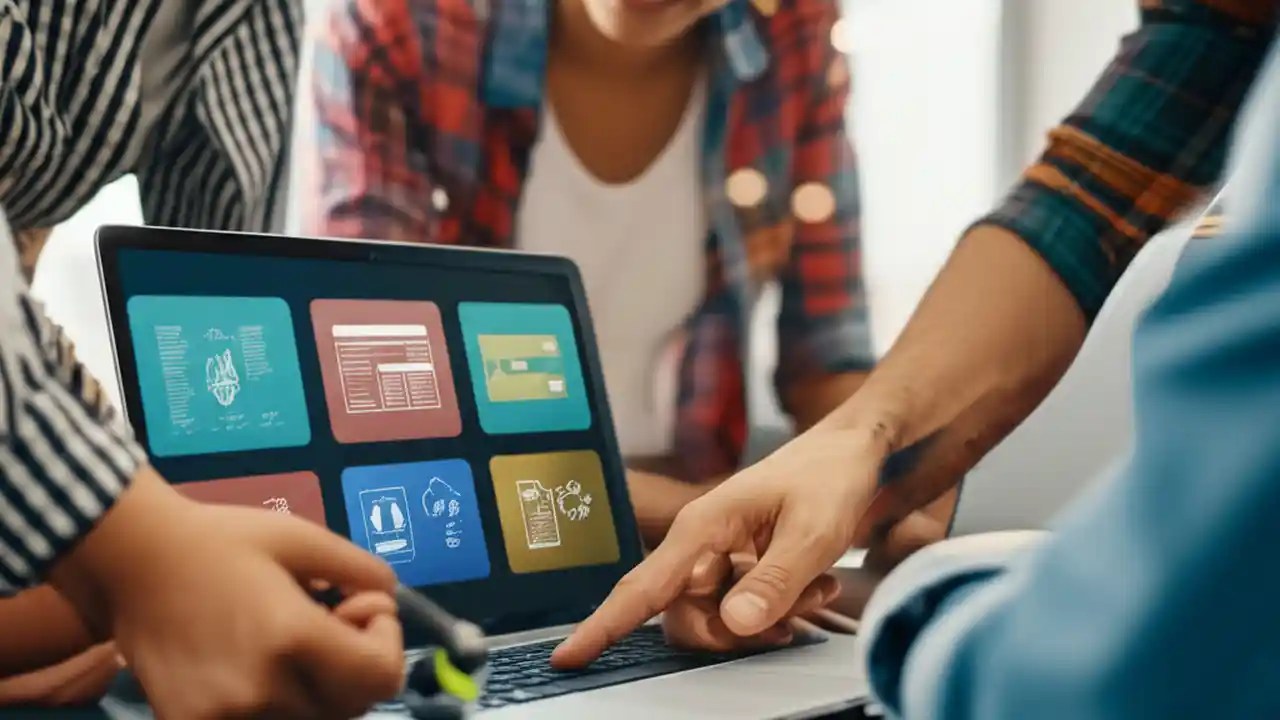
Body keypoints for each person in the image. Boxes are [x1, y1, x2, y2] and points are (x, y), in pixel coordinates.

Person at [549, 0, 1280, 670]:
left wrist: (877, 483)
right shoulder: (437, 34)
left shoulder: (791, 37)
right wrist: (830, 478)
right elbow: (1093, 194)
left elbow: (830, 364)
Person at [302, 0, 886, 543]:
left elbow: (827, 359)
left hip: (690, 549)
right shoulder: (402, 25)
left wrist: (892, 488)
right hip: (464, 538)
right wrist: (703, 520)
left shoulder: (793, 28)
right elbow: (376, 398)